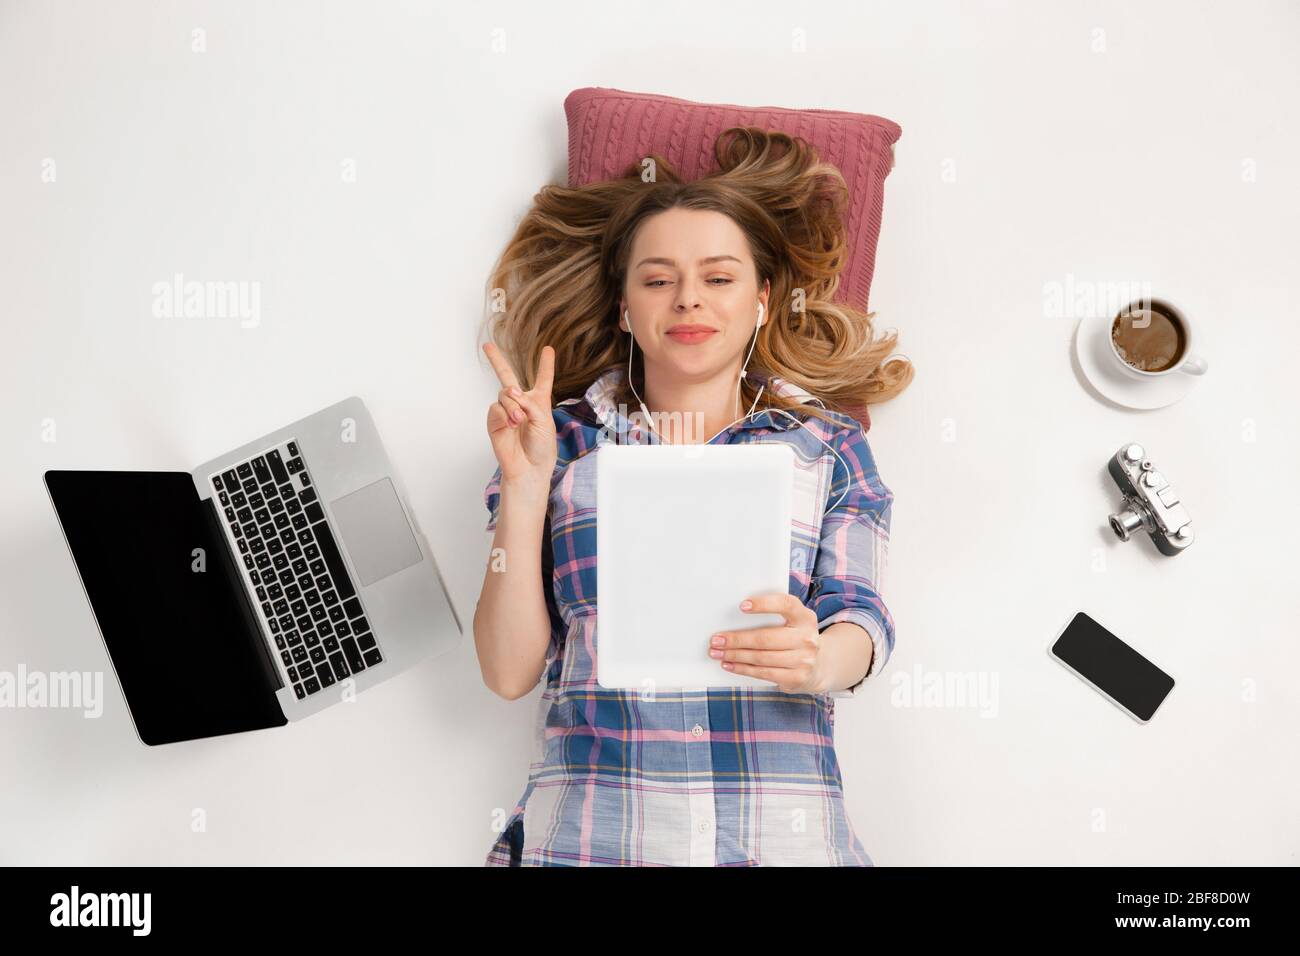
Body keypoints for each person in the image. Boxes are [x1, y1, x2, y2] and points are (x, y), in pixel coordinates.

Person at [474, 127, 913, 866]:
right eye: (656, 279)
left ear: (763, 302)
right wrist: (523, 491)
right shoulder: (561, 444)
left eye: (718, 277)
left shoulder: (828, 445)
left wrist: (817, 662)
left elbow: (862, 627)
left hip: (780, 838)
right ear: (623, 308)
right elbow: (509, 671)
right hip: (592, 839)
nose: (687, 300)